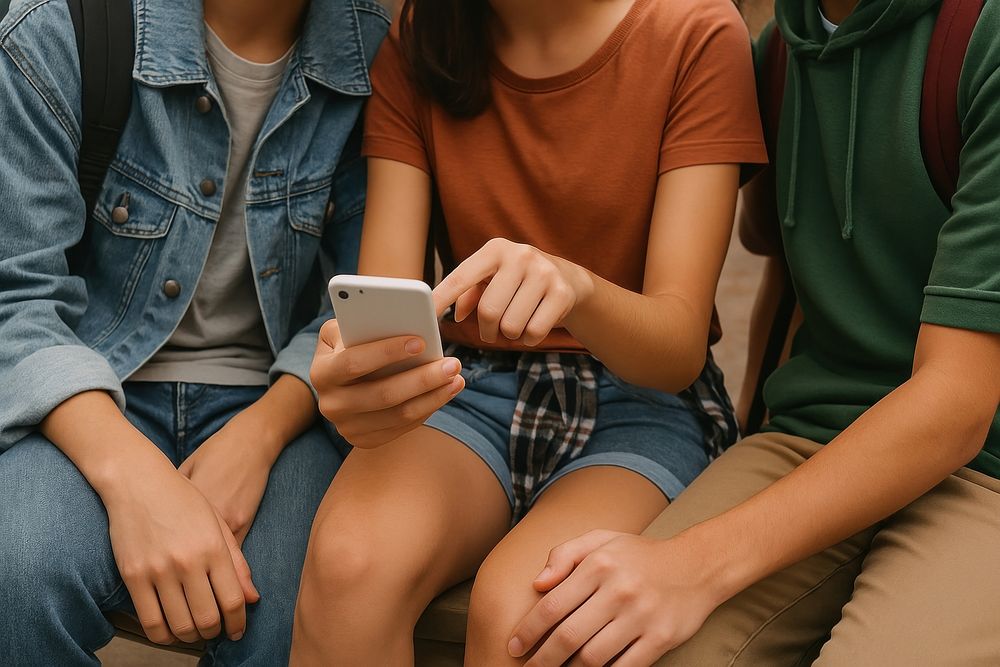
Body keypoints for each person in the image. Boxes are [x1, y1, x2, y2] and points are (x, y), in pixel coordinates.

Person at [506, 0, 1000, 664]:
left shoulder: (983, 37)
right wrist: (748, 420)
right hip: (810, 435)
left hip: (983, 464)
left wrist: (694, 564)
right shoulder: (778, 54)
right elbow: (791, 266)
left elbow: (958, 402)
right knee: (602, 639)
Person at [291, 0, 766, 663]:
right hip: (468, 381)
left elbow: (677, 346)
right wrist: (366, 377)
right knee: (349, 563)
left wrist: (577, 289)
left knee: (528, 610)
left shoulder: (695, 32)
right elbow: (388, 306)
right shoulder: (423, 34)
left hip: (643, 401)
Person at [0, 0, 388, 663]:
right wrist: (134, 479)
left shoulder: (372, 51)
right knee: (17, 572)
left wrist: (262, 434)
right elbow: (17, 292)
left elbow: (362, 306)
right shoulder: (58, 26)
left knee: (302, 601)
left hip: (280, 397)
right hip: (93, 388)